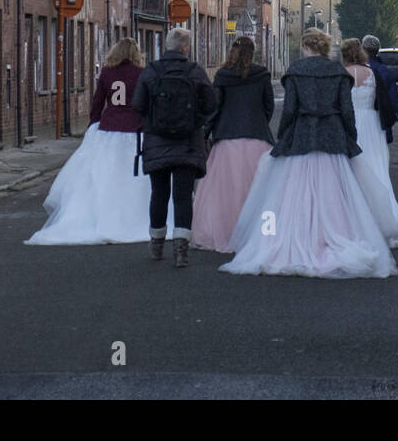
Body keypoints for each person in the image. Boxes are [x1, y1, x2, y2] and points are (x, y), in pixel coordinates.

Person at [220, 28, 398, 279]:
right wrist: (350, 137)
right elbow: (347, 111)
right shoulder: (338, 73)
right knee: (335, 197)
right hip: (332, 138)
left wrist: (284, 136)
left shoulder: (295, 72)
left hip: (302, 138)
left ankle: (294, 238)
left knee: (293, 196)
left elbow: (290, 110)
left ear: (305, 47)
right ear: (325, 48)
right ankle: (332, 238)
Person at [27, 38, 167, 245]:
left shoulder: (108, 73)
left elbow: (98, 101)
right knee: (136, 174)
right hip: (135, 128)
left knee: (104, 173)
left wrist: (94, 122)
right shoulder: (141, 74)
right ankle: (136, 215)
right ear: (136, 54)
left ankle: (101, 213)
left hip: (110, 128)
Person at [132, 27, 217, 268]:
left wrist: (153, 121)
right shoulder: (195, 72)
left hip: (156, 143)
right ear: (186, 47)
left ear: (166, 45)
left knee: (159, 194)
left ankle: (157, 244)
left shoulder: (151, 71)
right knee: (182, 197)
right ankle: (181, 250)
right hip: (188, 145)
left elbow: (137, 105)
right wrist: (195, 123)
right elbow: (211, 104)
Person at [191, 36, 275, 253]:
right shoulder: (262, 74)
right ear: (253, 52)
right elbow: (268, 105)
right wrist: (259, 122)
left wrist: (206, 133)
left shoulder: (222, 75)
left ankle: (226, 232)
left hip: (227, 139)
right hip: (257, 138)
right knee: (258, 191)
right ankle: (260, 233)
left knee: (225, 192)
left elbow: (214, 107)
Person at [342, 37, 398, 247]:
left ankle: (354, 219)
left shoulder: (343, 75)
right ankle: (384, 217)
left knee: (353, 171)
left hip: (352, 124)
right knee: (377, 169)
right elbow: (388, 98)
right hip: (372, 125)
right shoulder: (373, 73)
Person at [361, 34, 398, 142]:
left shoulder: (357, 70)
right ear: (377, 51)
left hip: (361, 121)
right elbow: (394, 97)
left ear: (363, 49)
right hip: (381, 120)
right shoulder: (383, 71)